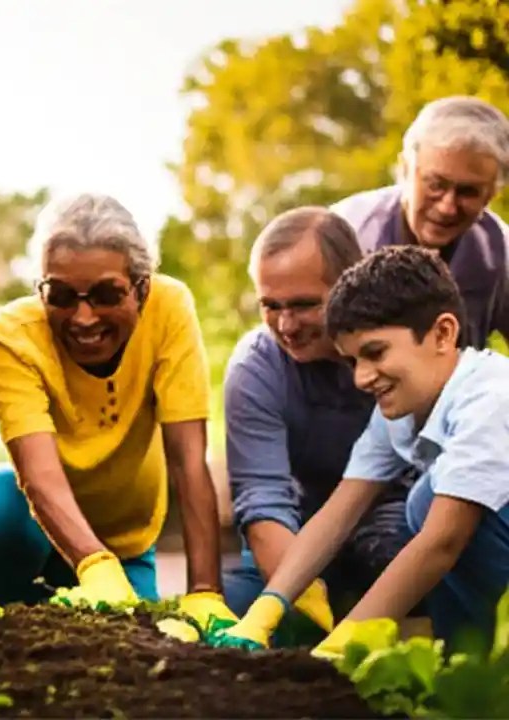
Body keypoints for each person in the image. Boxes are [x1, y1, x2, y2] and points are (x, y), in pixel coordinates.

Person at [0, 192, 232, 635]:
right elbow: (38, 479)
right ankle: (19, 614)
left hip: (125, 542)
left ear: (141, 287)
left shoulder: (170, 307)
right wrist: (95, 568)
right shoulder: (8, 336)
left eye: (104, 295)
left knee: (133, 633)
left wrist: (205, 593)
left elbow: (187, 460)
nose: (83, 318)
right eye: (60, 295)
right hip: (27, 527)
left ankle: (80, 599)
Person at [214, 245, 509, 656]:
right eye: (352, 361)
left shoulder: (490, 399)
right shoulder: (401, 412)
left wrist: (337, 648)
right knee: (422, 507)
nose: (362, 378)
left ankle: (480, 661)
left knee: (426, 508)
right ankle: (469, 666)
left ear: (443, 333)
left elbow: (441, 542)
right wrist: (267, 609)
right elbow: (340, 510)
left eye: (375, 353)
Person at [221, 207, 414, 646]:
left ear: (349, 284)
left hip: (392, 527)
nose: (286, 326)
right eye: (271, 306)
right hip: (298, 537)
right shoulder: (257, 368)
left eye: (305, 305)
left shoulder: (402, 351)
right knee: (233, 602)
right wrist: (306, 610)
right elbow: (262, 501)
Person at [331, 96, 509, 349]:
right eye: (436, 184)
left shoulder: (500, 251)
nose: (448, 207)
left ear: (491, 194)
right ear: (404, 170)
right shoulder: (342, 234)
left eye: (468, 191)